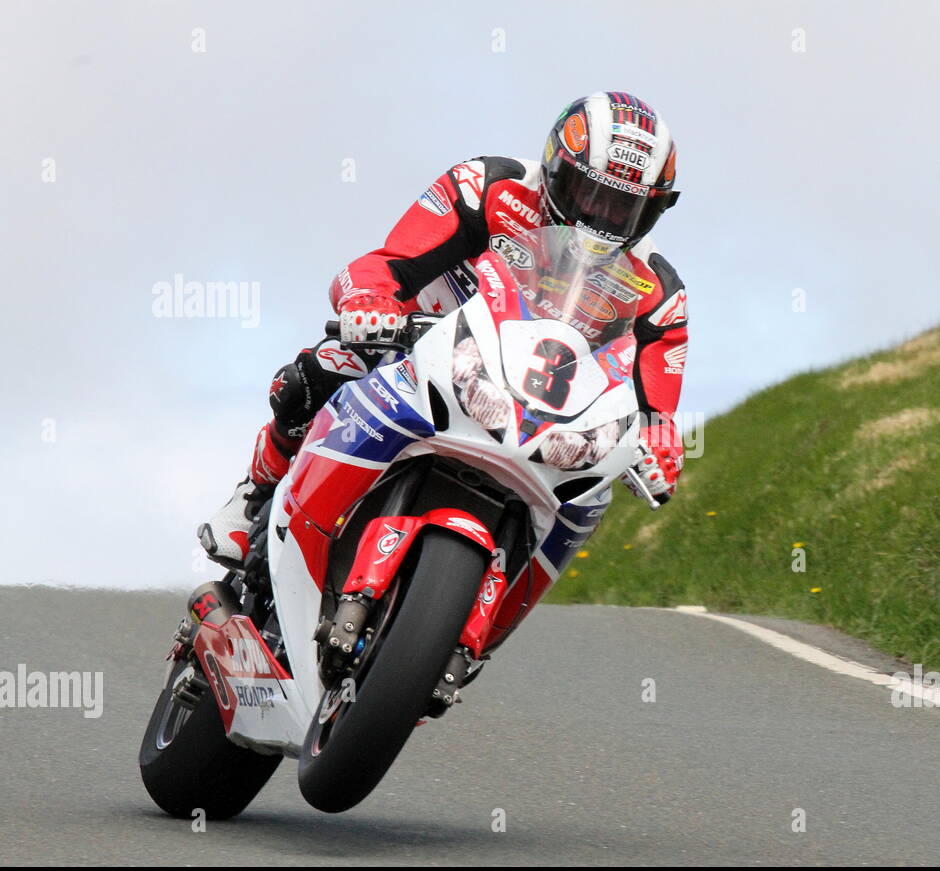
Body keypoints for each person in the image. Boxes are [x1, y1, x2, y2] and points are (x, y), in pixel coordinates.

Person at [198, 92, 689, 569]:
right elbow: (388, 263)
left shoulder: (659, 289)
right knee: (324, 368)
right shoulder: (487, 186)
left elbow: (654, 409)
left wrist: (659, 445)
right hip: (420, 347)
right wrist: (370, 299)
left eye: (622, 208)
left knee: (591, 495)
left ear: (653, 212)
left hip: (537, 401)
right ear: (557, 170)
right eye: (590, 195)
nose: (598, 219)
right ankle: (255, 492)